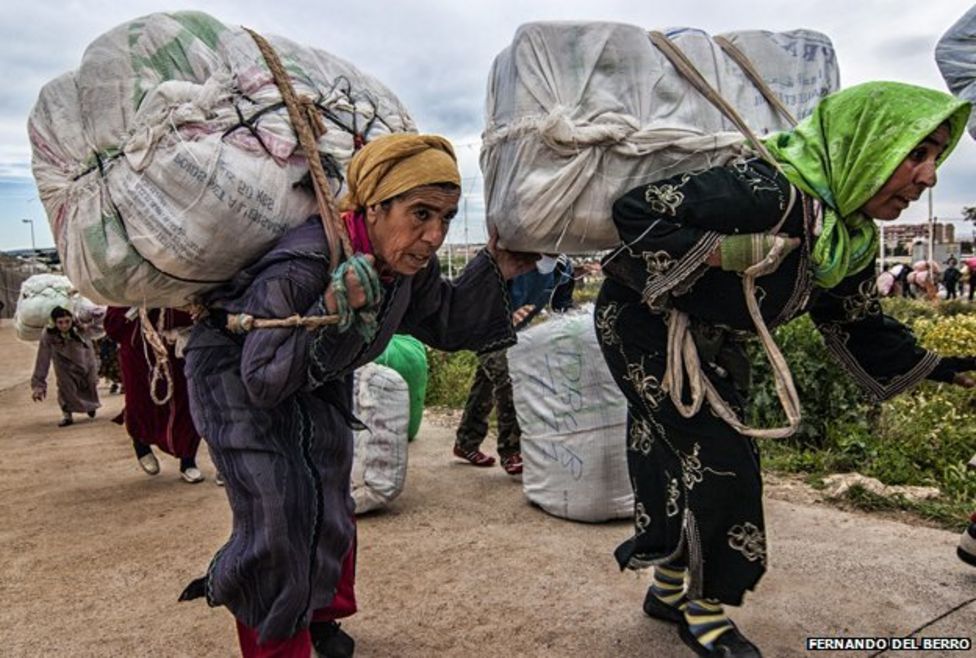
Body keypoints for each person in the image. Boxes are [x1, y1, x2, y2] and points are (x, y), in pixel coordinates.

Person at [595, 82, 976, 657]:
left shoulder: (846, 236)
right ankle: (705, 611)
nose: (929, 177)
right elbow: (635, 211)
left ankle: (668, 587)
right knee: (722, 458)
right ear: (866, 144)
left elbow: (855, 320)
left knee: (670, 453)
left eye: (935, 156)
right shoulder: (765, 191)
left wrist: (946, 367)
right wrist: (725, 252)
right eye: (916, 153)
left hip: (715, 338)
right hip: (645, 323)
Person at [181, 134, 537, 657]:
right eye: (420, 214)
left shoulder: (401, 266)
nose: (434, 235)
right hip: (239, 381)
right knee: (278, 519)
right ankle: (279, 645)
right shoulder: (303, 262)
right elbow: (263, 377)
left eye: (446, 217)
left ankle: (319, 618)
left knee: (329, 497)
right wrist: (328, 302)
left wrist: (499, 264)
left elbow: (446, 318)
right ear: (374, 206)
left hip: (316, 374)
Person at [453, 258, 575, 475]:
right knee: (509, 378)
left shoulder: (563, 268)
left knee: (486, 383)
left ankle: (466, 442)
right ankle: (511, 451)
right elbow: (481, 295)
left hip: (515, 330)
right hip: (487, 327)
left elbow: (562, 307)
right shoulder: (515, 260)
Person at [104, 307, 205, 484]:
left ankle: (188, 461)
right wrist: (136, 309)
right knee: (139, 403)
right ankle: (141, 444)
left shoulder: (175, 288)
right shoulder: (125, 290)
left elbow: (192, 313)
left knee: (185, 404)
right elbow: (113, 327)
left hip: (175, 354)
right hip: (138, 356)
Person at [31, 306, 100, 427]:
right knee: (65, 387)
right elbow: (43, 358)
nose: (64, 326)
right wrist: (39, 385)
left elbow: (101, 323)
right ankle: (67, 415)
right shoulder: (48, 334)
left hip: (85, 358)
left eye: (67, 321)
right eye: (60, 322)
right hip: (63, 362)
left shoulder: (79, 327)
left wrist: (87, 325)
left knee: (90, 383)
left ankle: (90, 406)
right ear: (54, 322)